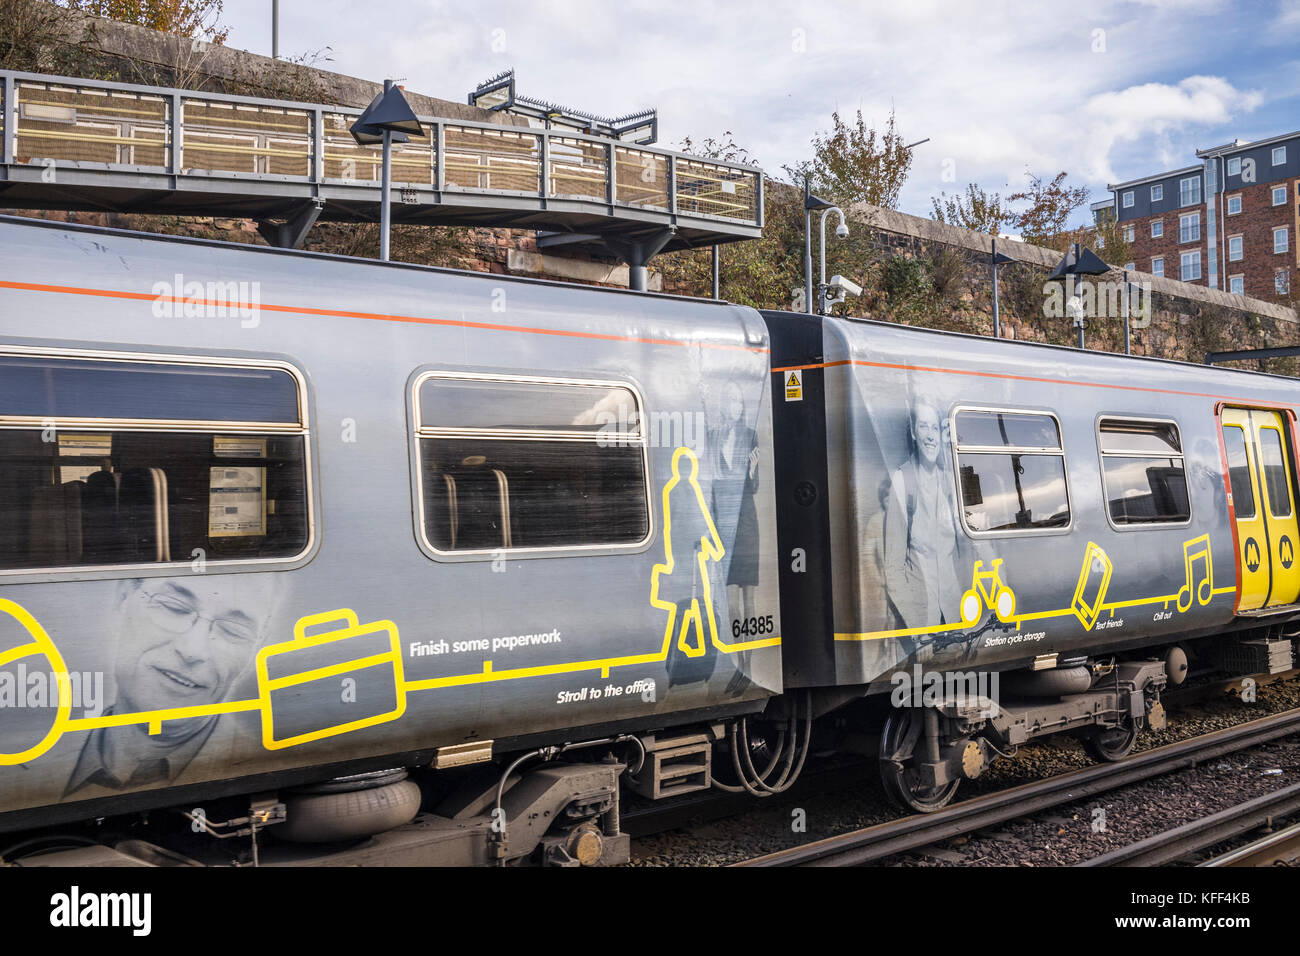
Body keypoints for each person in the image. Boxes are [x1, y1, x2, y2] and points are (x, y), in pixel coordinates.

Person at [64, 575, 279, 797]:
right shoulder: (37, 756)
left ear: (257, 647)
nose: (193, 650)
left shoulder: (272, 770)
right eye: (174, 608)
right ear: (124, 597)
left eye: (233, 631)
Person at [882, 400, 964, 634]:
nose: (930, 436)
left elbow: (966, 551)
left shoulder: (950, 481)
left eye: (935, 428)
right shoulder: (903, 480)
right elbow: (893, 566)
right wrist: (915, 630)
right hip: (922, 618)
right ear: (913, 433)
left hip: (956, 615)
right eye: (923, 427)